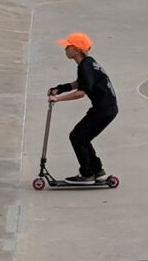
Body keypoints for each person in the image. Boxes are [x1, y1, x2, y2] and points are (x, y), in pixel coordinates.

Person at [48, 31, 117, 181]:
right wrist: (60, 88)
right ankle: (98, 172)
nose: (65, 49)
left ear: (77, 49)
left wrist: (58, 99)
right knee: (82, 137)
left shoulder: (85, 66)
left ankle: (87, 174)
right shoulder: (89, 63)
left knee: (77, 137)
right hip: (106, 109)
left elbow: (81, 93)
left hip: (103, 110)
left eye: (68, 46)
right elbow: (81, 82)